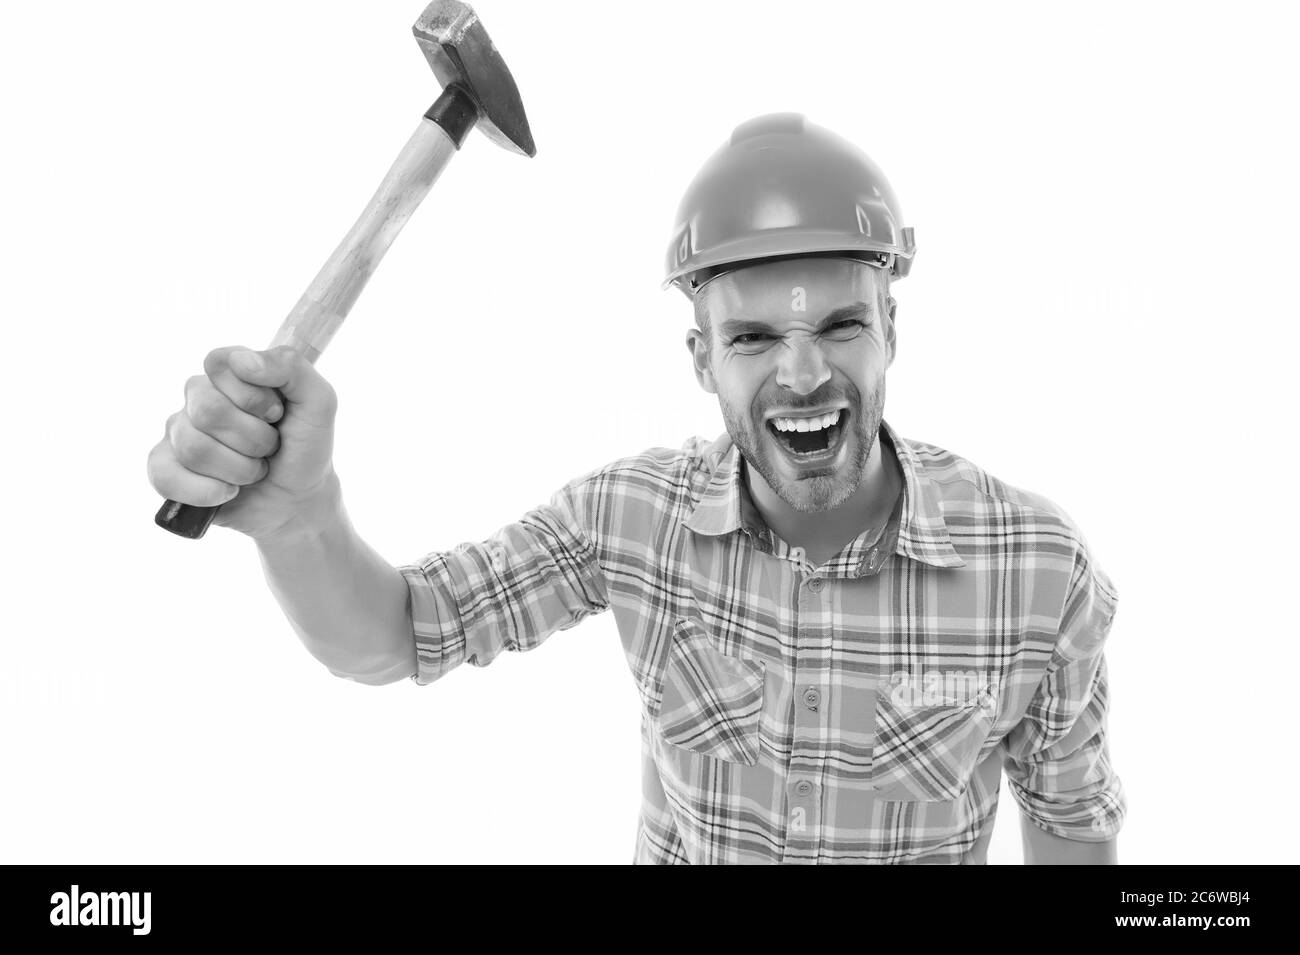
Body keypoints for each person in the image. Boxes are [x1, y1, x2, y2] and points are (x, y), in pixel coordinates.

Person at [147, 112, 1125, 864]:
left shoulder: (1034, 567)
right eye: (751, 338)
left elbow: (1069, 822)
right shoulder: (631, 518)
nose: (801, 376)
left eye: (838, 325)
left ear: (891, 333)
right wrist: (298, 518)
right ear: (702, 359)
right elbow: (394, 637)